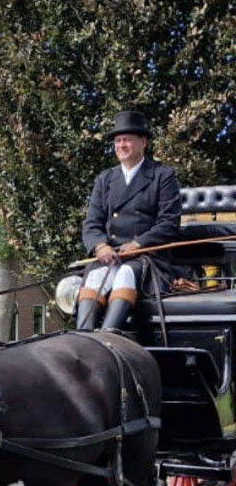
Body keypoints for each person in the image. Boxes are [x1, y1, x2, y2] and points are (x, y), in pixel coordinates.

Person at [77, 110, 182, 330]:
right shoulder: (105, 179)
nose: (121, 145)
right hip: (110, 256)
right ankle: (83, 337)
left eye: (126, 140)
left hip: (148, 257)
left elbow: (169, 223)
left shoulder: (162, 175)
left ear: (143, 142)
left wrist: (138, 244)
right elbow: (92, 222)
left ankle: (109, 336)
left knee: (124, 274)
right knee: (96, 276)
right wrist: (100, 246)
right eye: (117, 140)